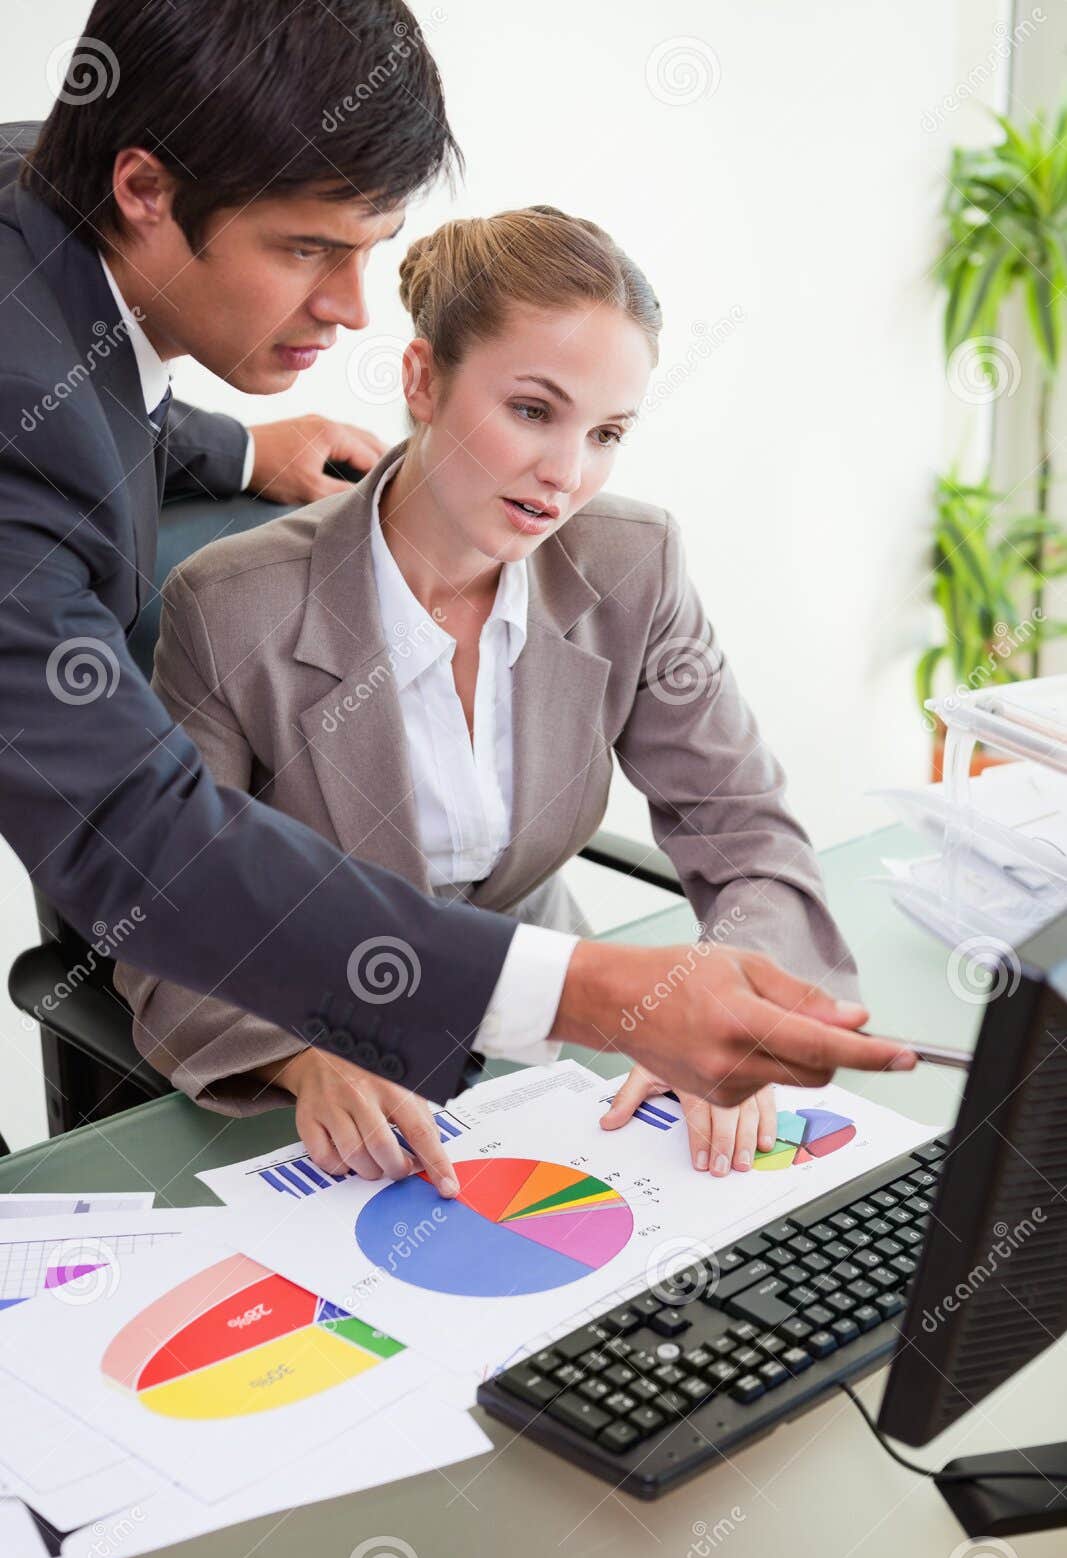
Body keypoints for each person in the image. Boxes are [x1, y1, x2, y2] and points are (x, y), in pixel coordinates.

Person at [0, 2, 913, 1200]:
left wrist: (238, 450)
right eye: (306, 248)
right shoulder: (201, 577)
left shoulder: (41, 206)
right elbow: (147, 848)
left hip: (540, 1103)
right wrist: (593, 995)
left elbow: (100, 398)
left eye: (606, 432)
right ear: (143, 190)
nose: (350, 305)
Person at [117, 205, 896, 1183]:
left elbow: (747, 834)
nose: (565, 474)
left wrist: (731, 1016)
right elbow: (164, 910)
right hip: (324, 1063)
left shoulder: (630, 562)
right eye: (532, 410)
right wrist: (297, 1057)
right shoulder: (232, 604)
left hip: (561, 1053)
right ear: (421, 380)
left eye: (605, 432)